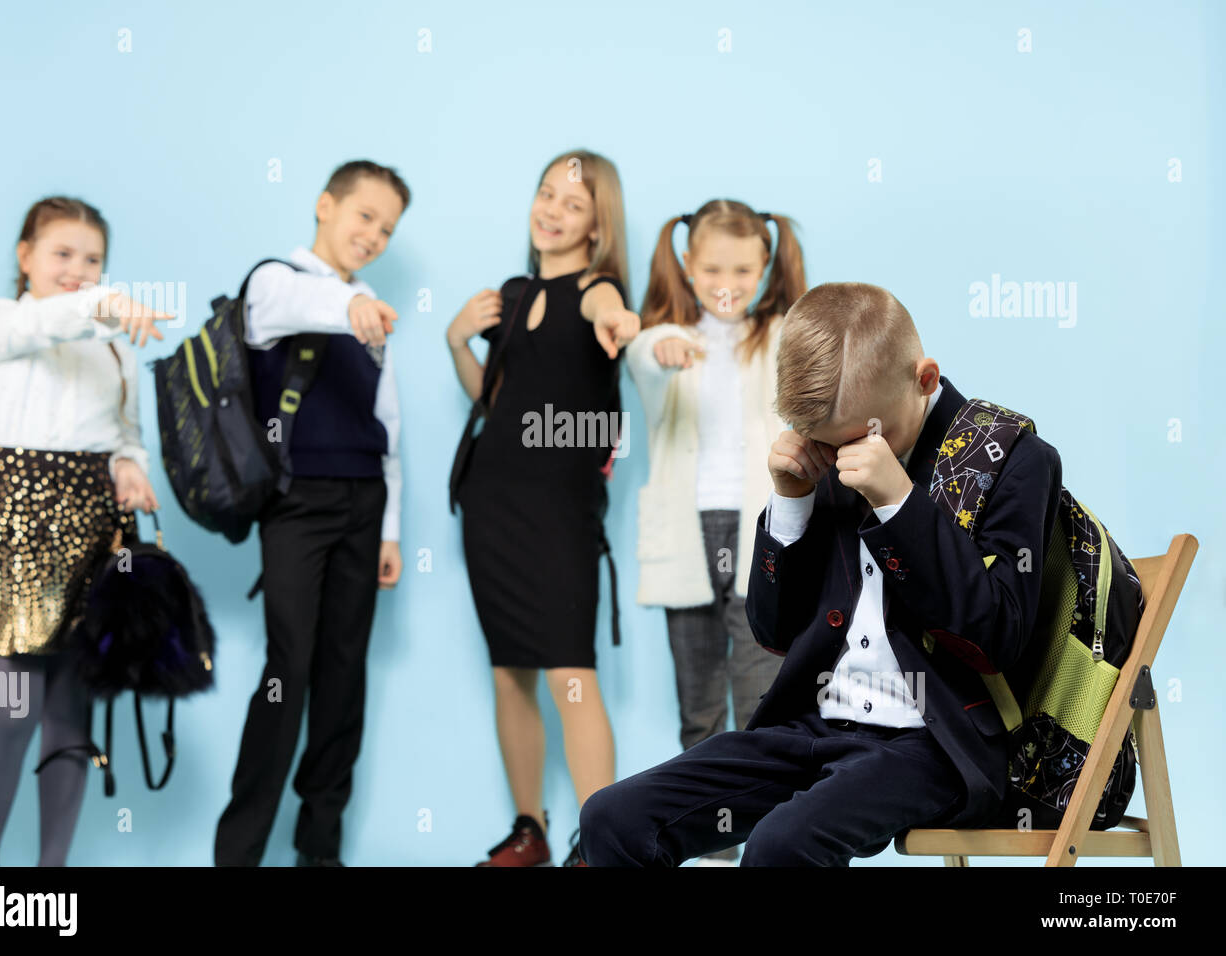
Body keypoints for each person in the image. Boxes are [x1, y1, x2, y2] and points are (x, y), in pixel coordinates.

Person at [579, 281, 1064, 866]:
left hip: (931, 743)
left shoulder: (1013, 455)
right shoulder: (830, 444)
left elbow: (1000, 636)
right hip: (813, 720)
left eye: (856, 439)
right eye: (823, 443)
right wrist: (788, 503)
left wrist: (899, 505)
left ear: (925, 379)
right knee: (611, 818)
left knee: (782, 845)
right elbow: (774, 632)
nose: (837, 458)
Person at [0, 196, 168, 865]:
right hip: (14, 521)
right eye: (63, 253)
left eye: (93, 260)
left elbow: (127, 433)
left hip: (97, 524)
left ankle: (50, 879)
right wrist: (107, 301)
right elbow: (51, 322)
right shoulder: (1, 321)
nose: (78, 269)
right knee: (9, 711)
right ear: (25, 255)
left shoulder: (114, 344)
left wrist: (130, 468)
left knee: (72, 714)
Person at [447, 149, 640, 867]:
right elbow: (496, 402)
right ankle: (528, 830)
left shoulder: (598, 289)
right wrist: (454, 340)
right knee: (509, 671)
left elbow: (608, 309)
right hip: (490, 502)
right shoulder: (512, 291)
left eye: (574, 203)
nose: (552, 211)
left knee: (570, 671)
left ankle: (600, 844)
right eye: (545, 194)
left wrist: (620, 319)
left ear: (597, 226)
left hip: (558, 507)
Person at [213, 160, 409, 867]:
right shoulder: (275, 280)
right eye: (364, 216)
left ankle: (319, 849)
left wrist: (391, 531)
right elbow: (292, 305)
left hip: (365, 502)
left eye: (387, 228)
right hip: (297, 505)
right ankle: (238, 853)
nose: (374, 235)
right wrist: (349, 306)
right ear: (325, 205)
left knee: (343, 673)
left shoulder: (369, 305)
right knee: (286, 670)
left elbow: (389, 424)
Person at [624, 199, 806, 864]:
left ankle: (770, 845)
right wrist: (661, 344)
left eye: (742, 269)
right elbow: (641, 356)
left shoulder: (782, 334)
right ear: (688, 268)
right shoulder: (664, 340)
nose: (726, 283)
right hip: (688, 532)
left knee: (763, 704)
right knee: (698, 706)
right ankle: (709, 848)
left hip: (762, 531)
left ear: (763, 268)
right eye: (711, 270)